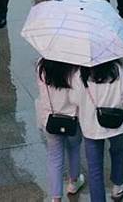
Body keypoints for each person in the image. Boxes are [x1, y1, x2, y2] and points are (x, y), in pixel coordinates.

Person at [75, 59, 123, 201]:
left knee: (95, 169)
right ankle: (117, 186)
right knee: (118, 152)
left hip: (90, 126)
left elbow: (75, 99)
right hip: (117, 123)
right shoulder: (119, 71)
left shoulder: (81, 73)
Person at [35, 58, 85, 201]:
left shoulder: (41, 66)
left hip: (50, 119)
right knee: (74, 148)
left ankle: (56, 197)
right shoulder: (75, 68)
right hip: (72, 119)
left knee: (54, 157)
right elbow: (78, 96)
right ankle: (74, 182)